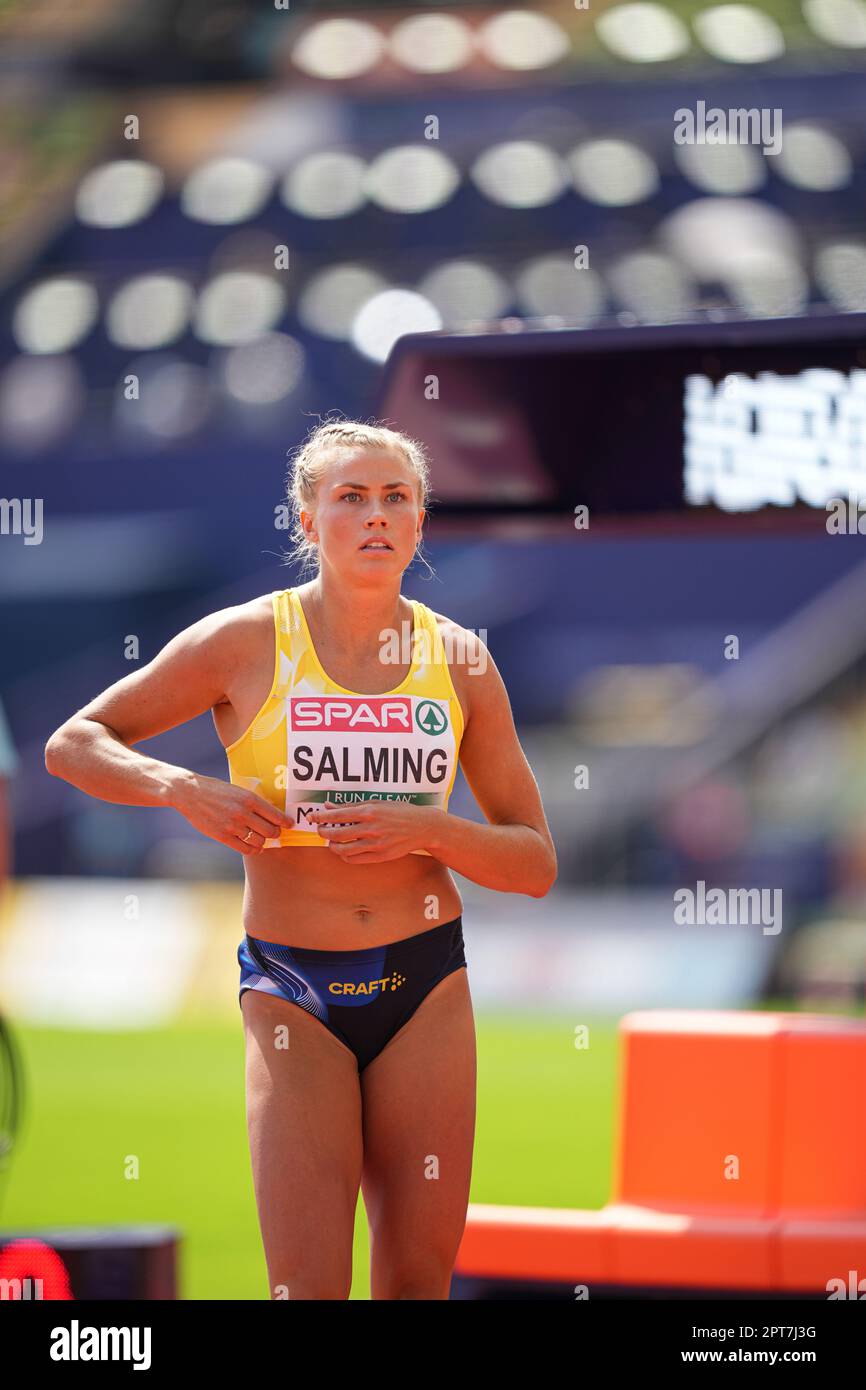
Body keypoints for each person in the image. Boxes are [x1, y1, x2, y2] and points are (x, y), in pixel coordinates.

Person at [44, 419, 557, 1300]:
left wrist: (429, 831)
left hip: (425, 981)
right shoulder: (243, 642)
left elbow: (534, 862)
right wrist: (181, 788)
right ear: (308, 519)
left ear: (421, 522)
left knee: (418, 1283)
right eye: (351, 497)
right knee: (307, 1286)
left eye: (397, 497)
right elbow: (74, 742)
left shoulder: (461, 660)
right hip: (292, 983)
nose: (376, 515)